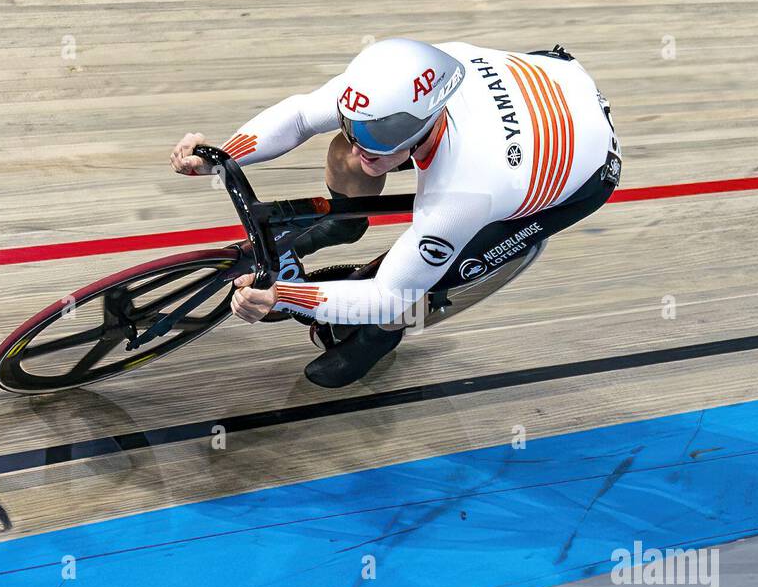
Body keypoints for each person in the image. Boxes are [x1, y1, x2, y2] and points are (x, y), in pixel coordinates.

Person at [170, 38, 621, 387]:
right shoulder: (397, 79)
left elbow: (390, 294)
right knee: (346, 155)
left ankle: (378, 339)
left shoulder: (464, 191)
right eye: (358, 124)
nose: (367, 143)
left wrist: (285, 297)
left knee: (422, 278)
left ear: (429, 118)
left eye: (383, 137)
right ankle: (343, 222)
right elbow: (304, 115)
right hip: (543, 86)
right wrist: (222, 155)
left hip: (580, 171)